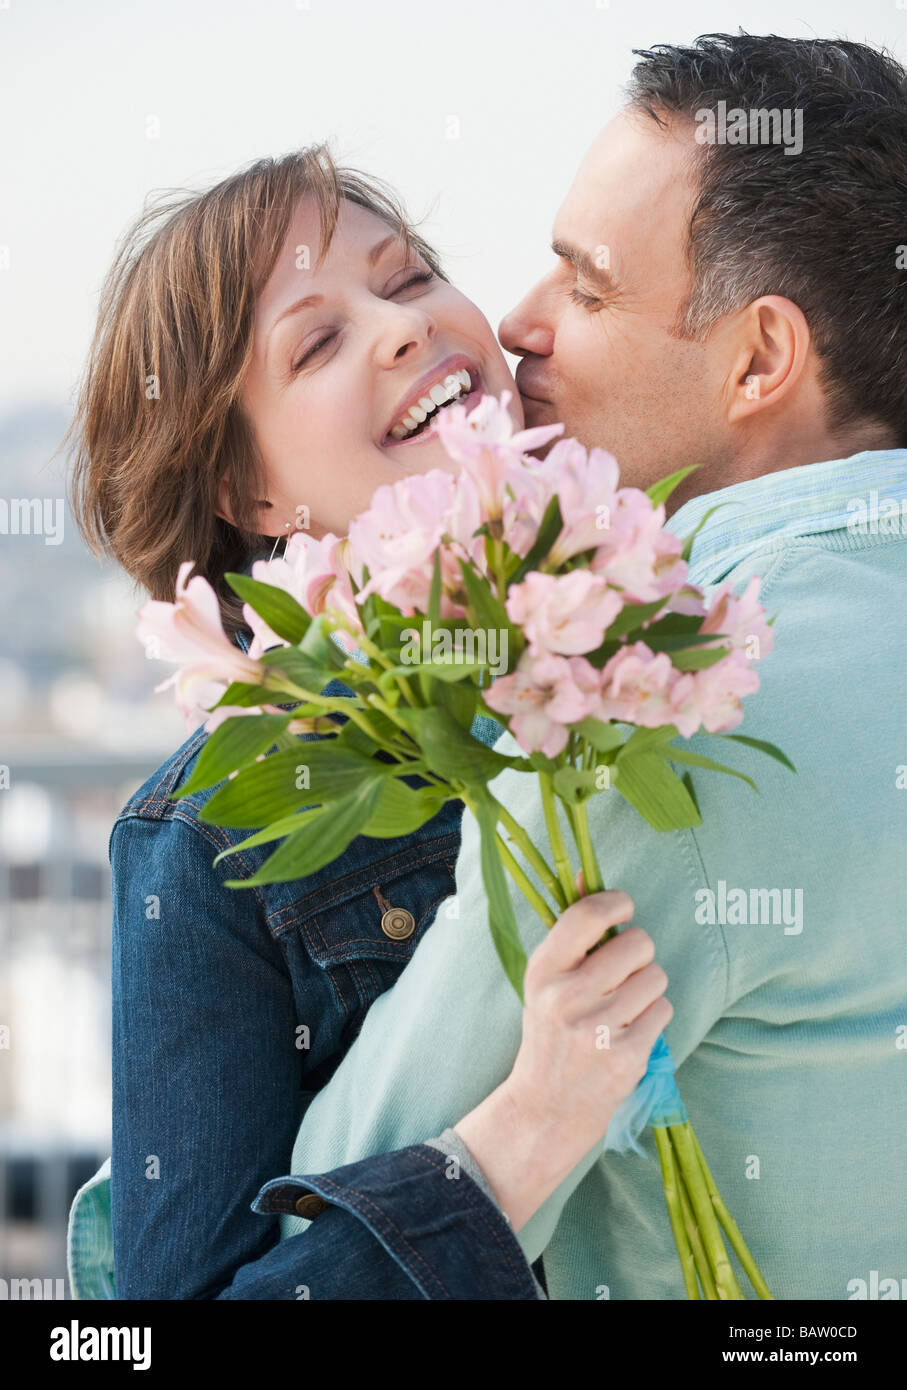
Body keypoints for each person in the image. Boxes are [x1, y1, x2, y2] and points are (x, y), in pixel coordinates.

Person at [269, 33, 907, 1298]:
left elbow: (340, 1235)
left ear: (759, 359)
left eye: (590, 285)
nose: (517, 322)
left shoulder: (668, 707)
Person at [65, 146, 671, 1299]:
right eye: (317, 340)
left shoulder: (642, 614)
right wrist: (523, 1135)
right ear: (249, 496)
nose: (400, 328)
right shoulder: (206, 841)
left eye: (405, 282)